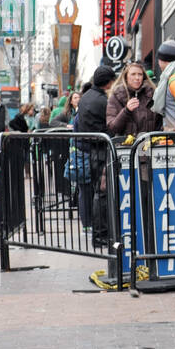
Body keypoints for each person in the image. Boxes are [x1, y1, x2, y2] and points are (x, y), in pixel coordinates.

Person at [76, 66, 116, 245]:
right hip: (100, 150)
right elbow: (109, 125)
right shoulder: (101, 100)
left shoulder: (86, 97)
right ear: (108, 82)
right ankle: (101, 235)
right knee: (102, 193)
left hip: (92, 149)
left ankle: (99, 234)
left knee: (98, 193)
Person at [106, 63, 161, 141]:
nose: (137, 78)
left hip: (149, 146)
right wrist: (126, 111)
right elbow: (113, 128)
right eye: (133, 74)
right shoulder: (116, 96)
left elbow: (159, 123)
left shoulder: (152, 94)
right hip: (125, 148)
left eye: (140, 74)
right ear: (126, 77)